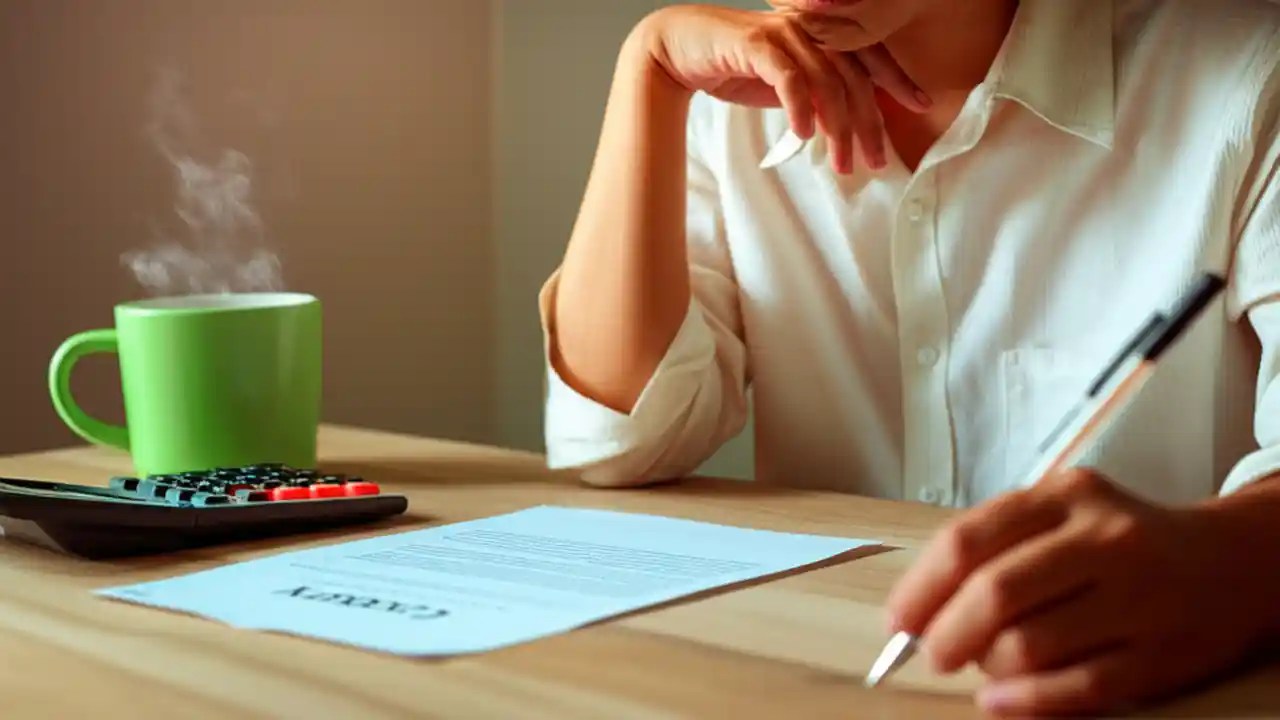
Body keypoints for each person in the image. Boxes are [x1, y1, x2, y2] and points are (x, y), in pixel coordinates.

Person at [539, 0, 1280, 715]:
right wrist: (650, 71)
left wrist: (1233, 566)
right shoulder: (727, 107)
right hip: (824, 683)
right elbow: (615, 439)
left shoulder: (1247, 74)